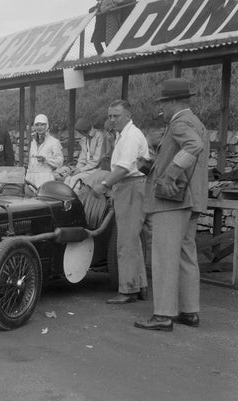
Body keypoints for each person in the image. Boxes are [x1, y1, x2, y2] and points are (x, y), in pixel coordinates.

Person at [135, 79, 209, 332]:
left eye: (163, 103)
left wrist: (170, 172)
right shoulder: (196, 122)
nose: (161, 110)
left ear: (173, 102)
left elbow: (193, 147)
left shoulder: (179, 122)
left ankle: (164, 315)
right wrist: (154, 166)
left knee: (164, 257)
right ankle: (190, 312)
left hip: (172, 201)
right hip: (191, 200)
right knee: (185, 255)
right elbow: (195, 153)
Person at [91, 100, 150, 304]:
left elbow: (124, 168)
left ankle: (128, 290)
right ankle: (139, 285)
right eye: (110, 116)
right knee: (131, 239)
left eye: (116, 116)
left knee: (126, 241)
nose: (112, 119)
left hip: (131, 185)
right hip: (127, 186)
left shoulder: (131, 136)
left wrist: (104, 185)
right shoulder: (122, 135)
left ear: (127, 115)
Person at [25, 114, 64, 190]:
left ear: (47, 125)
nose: (39, 127)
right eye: (37, 125)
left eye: (42, 125)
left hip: (45, 178)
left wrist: (46, 160)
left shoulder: (54, 142)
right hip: (30, 178)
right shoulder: (33, 142)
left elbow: (60, 162)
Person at [65, 118, 105, 190]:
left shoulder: (99, 136)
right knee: (68, 178)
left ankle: (74, 200)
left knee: (75, 180)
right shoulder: (84, 140)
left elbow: (96, 161)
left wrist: (80, 170)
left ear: (83, 132)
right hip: (87, 169)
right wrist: (76, 169)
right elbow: (82, 159)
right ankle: (65, 200)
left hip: (97, 169)